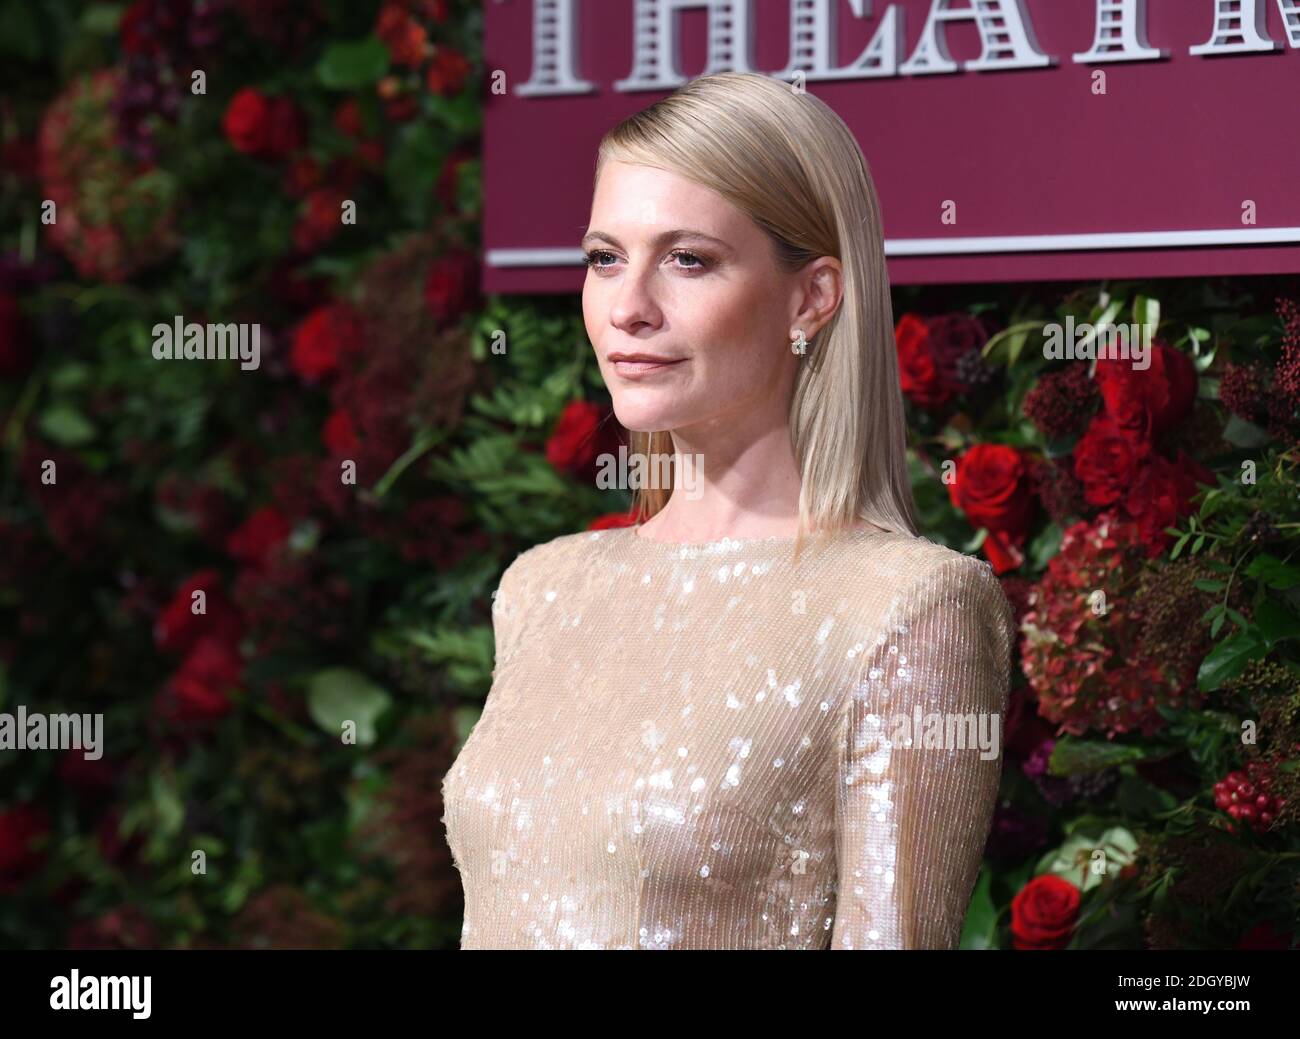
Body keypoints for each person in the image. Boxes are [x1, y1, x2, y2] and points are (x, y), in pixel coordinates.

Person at [441, 71, 1016, 950]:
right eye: (605, 258)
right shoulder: (541, 590)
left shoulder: (908, 611)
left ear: (812, 297)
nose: (628, 307)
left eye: (688, 259)